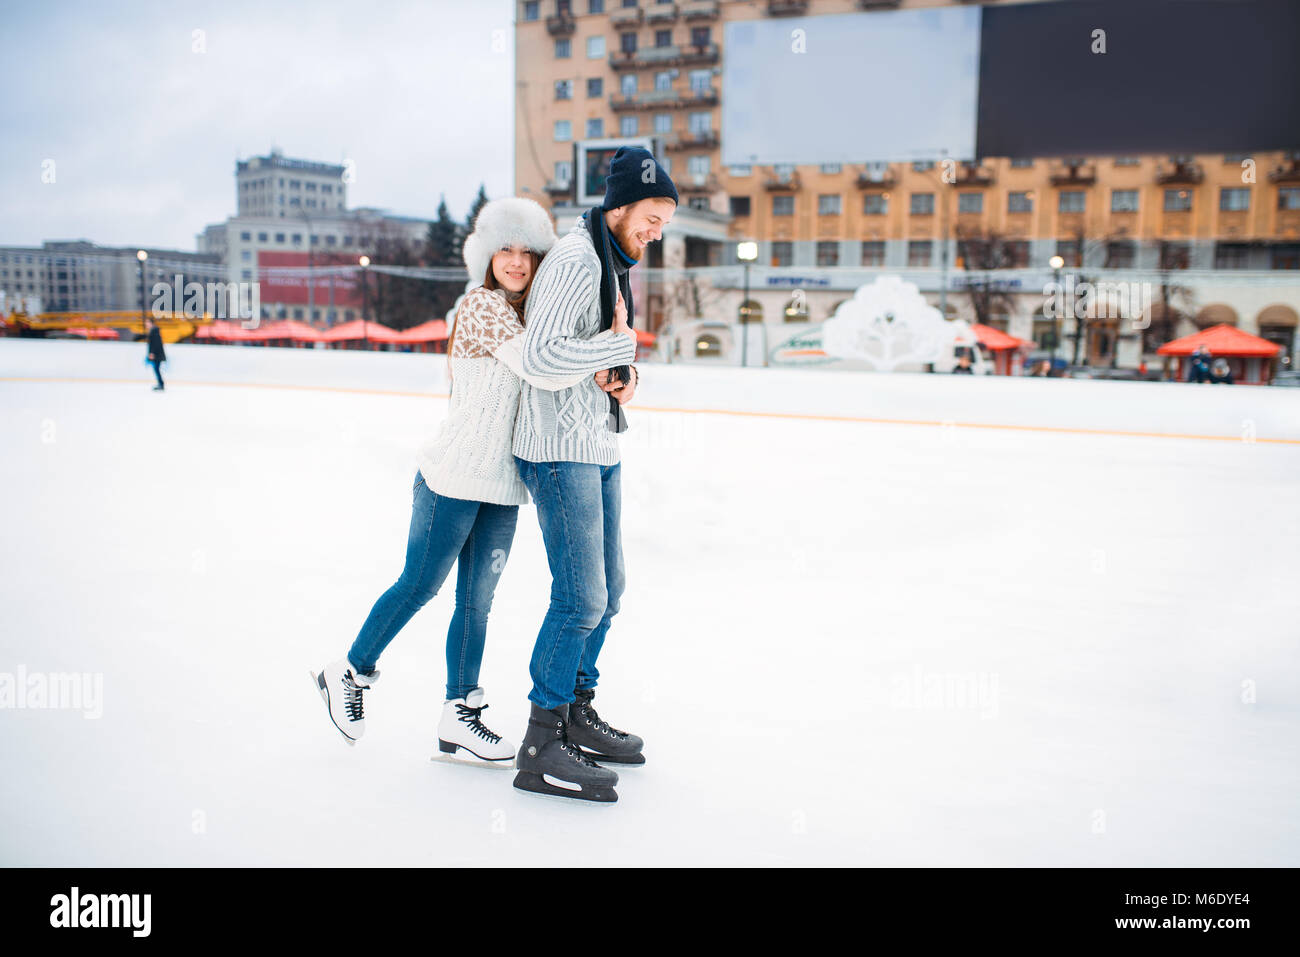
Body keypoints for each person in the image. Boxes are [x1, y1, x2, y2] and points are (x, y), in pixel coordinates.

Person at [311, 197, 596, 766]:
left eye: (527, 251)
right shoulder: (482, 307)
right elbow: (540, 364)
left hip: (502, 486)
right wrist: (611, 348)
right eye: (504, 250)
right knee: (421, 584)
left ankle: (458, 713)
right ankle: (349, 672)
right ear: (487, 257)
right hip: (454, 474)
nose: (515, 261)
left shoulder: (529, 316)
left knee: (477, 604)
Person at [508, 146, 675, 804]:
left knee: (611, 587)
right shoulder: (579, 259)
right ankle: (540, 742)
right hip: (558, 447)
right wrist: (618, 350)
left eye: (664, 220)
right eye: (652, 216)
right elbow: (541, 355)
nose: (657, 230)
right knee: (581, 597)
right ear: (621, 204)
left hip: (595, 441)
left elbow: (601, 352)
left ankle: (576, 709)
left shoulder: (612, 259)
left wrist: (625, 376)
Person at [145, 317, 166, 391]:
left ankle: (161, 384)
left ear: (151, 323)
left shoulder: (154, 331)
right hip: (157, 354)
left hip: (157, 354)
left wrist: (152, 353)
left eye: (147, 322)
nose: (146, 324)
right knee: (156, 369)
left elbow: (156, 343)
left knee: (156, 369)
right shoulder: (153, 330)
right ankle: (160, 384)